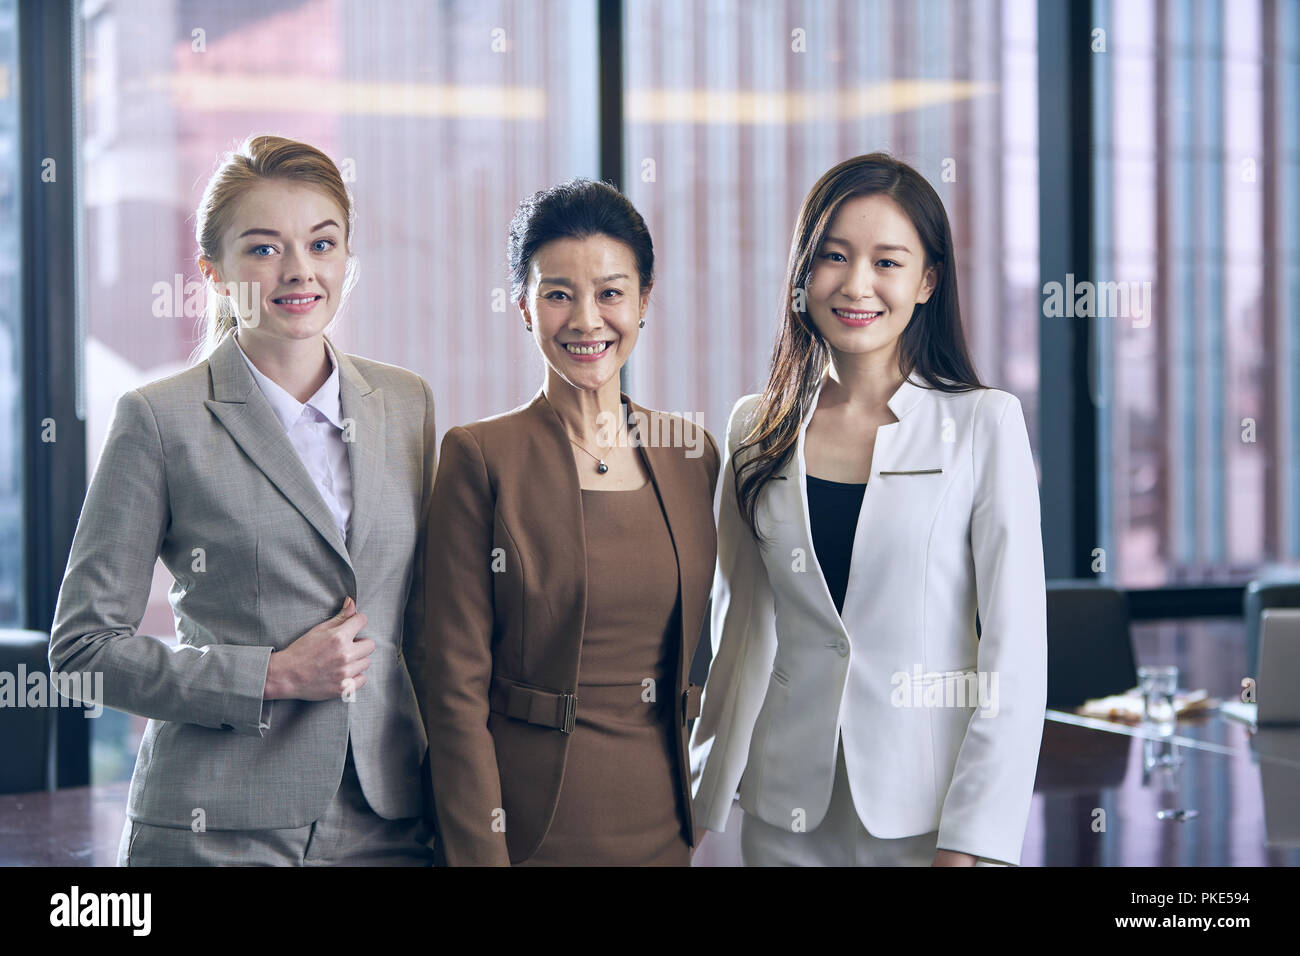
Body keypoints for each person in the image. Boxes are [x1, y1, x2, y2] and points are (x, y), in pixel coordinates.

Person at [48, 134, 436, 866]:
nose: (298, 271)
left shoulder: (405, 405)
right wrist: (274, 675)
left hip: (389, 820)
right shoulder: (160, 419)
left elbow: (423, 619)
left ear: (347, 259)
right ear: (214, 273)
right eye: (263, 249)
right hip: (218, 825)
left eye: (322, 244)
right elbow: (81, 651)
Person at [689, 153, 1047, 867]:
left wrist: (971, 840)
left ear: (927, 281)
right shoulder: (754, 427)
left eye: (888, 262)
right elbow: (741, 630)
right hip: (783, 809)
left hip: (926, 820)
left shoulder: (984, 425)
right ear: (803, 273)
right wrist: (702, 794)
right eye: (833, 256)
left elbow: (1016, 656)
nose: (856, 284)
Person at [407, 178, 719, 865]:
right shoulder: (481, 456)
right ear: (523, 306)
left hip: (665, 821)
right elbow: (452, 686)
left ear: (644, 301)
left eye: (610, 292)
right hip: (527, 828)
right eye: (557, 294)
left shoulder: (691, 454)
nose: (586, 320)